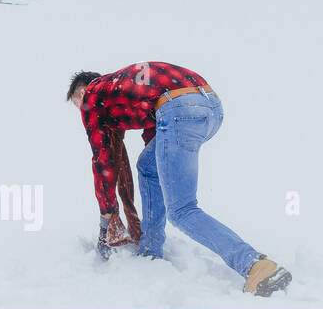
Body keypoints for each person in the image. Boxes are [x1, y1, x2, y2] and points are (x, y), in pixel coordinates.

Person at [66, 63, 291, 296]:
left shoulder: (92, 95)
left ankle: (255, 264)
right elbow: (154, 134)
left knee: (182, 210)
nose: (82, 110)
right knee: (148, 167)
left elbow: (103, 158)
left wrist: (107, 214)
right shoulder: (124, 85)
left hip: (177, 111)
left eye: (77, 103)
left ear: (82, 92)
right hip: (210, 106)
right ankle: (150, 251)